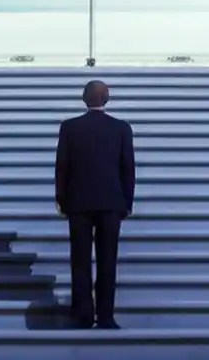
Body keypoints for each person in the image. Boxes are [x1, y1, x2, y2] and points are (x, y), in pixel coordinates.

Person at [54, 80, 136, 330]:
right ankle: (106, 316)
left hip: (78, 203)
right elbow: (128, 168)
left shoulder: (70, 128)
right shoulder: (121, 128)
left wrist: (61, 199)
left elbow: (62, 167)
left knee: (79, 261)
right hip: (111, 203)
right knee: (107, 261)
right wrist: (127, 202)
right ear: (107, 98)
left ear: (84, 98)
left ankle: (82, 314)